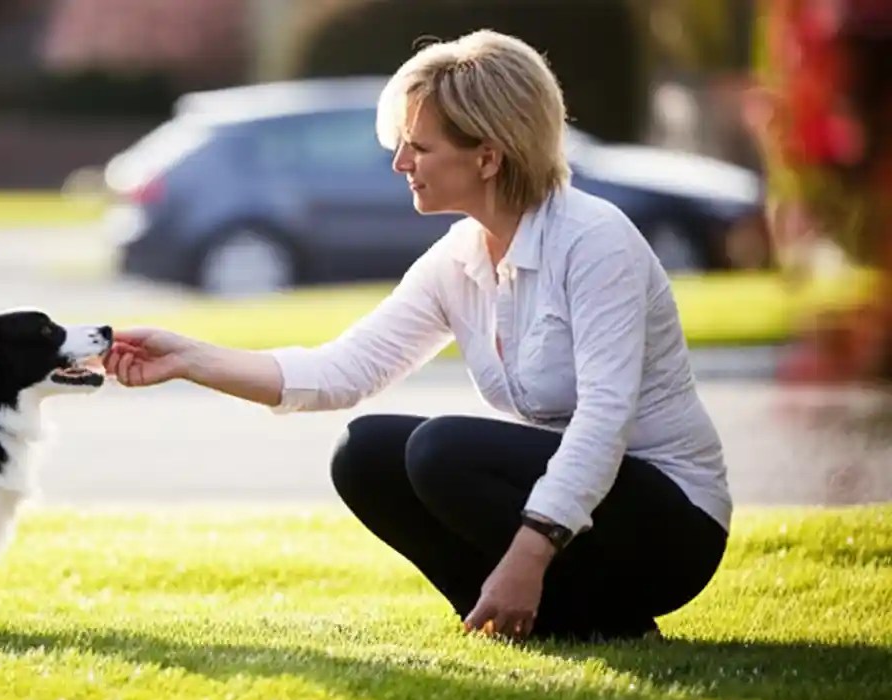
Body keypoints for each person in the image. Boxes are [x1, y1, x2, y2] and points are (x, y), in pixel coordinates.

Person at [103, 30, 730, 642]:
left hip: (672, 523)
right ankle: (546, 620)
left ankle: (570, 604)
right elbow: (338, 373)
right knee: (365, 452)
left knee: (442, 448)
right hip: (583, 510)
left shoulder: (594, 240)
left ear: (488, 155)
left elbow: (603, 421)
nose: (401, 163)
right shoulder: (460, 257)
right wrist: (185, 357)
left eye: (419, 147)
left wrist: (527, 557)